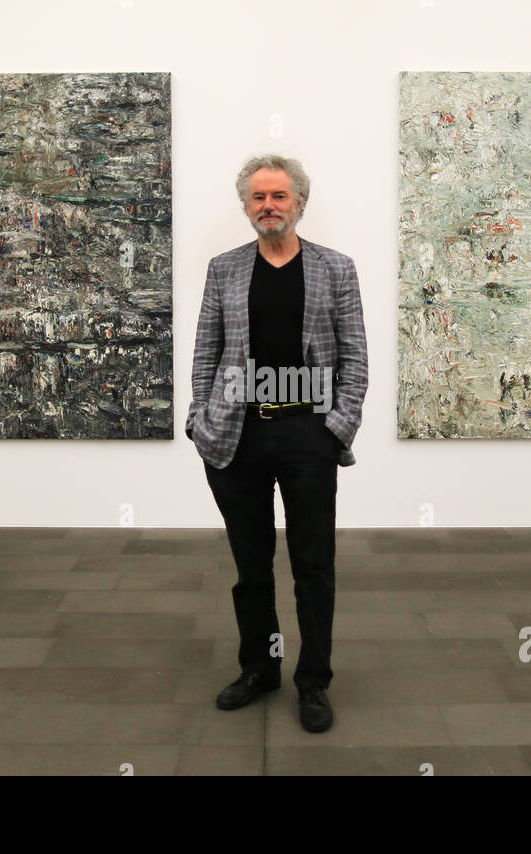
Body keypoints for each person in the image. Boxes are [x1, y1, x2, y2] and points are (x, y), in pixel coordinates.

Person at [186, 154, 368, 733]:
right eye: (259, 197)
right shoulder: (224, 269)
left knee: (314, 564)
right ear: (246, 206)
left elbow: (356, 358)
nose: (269, 205)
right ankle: (260, 667)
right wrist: (199, 419)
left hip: (307, 433)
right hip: (237, 434)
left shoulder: (336, 269)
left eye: (280, 196)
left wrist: (336, 426)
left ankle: (313, 680)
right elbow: (206, 352)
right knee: (252, 564)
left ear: (299, 203)